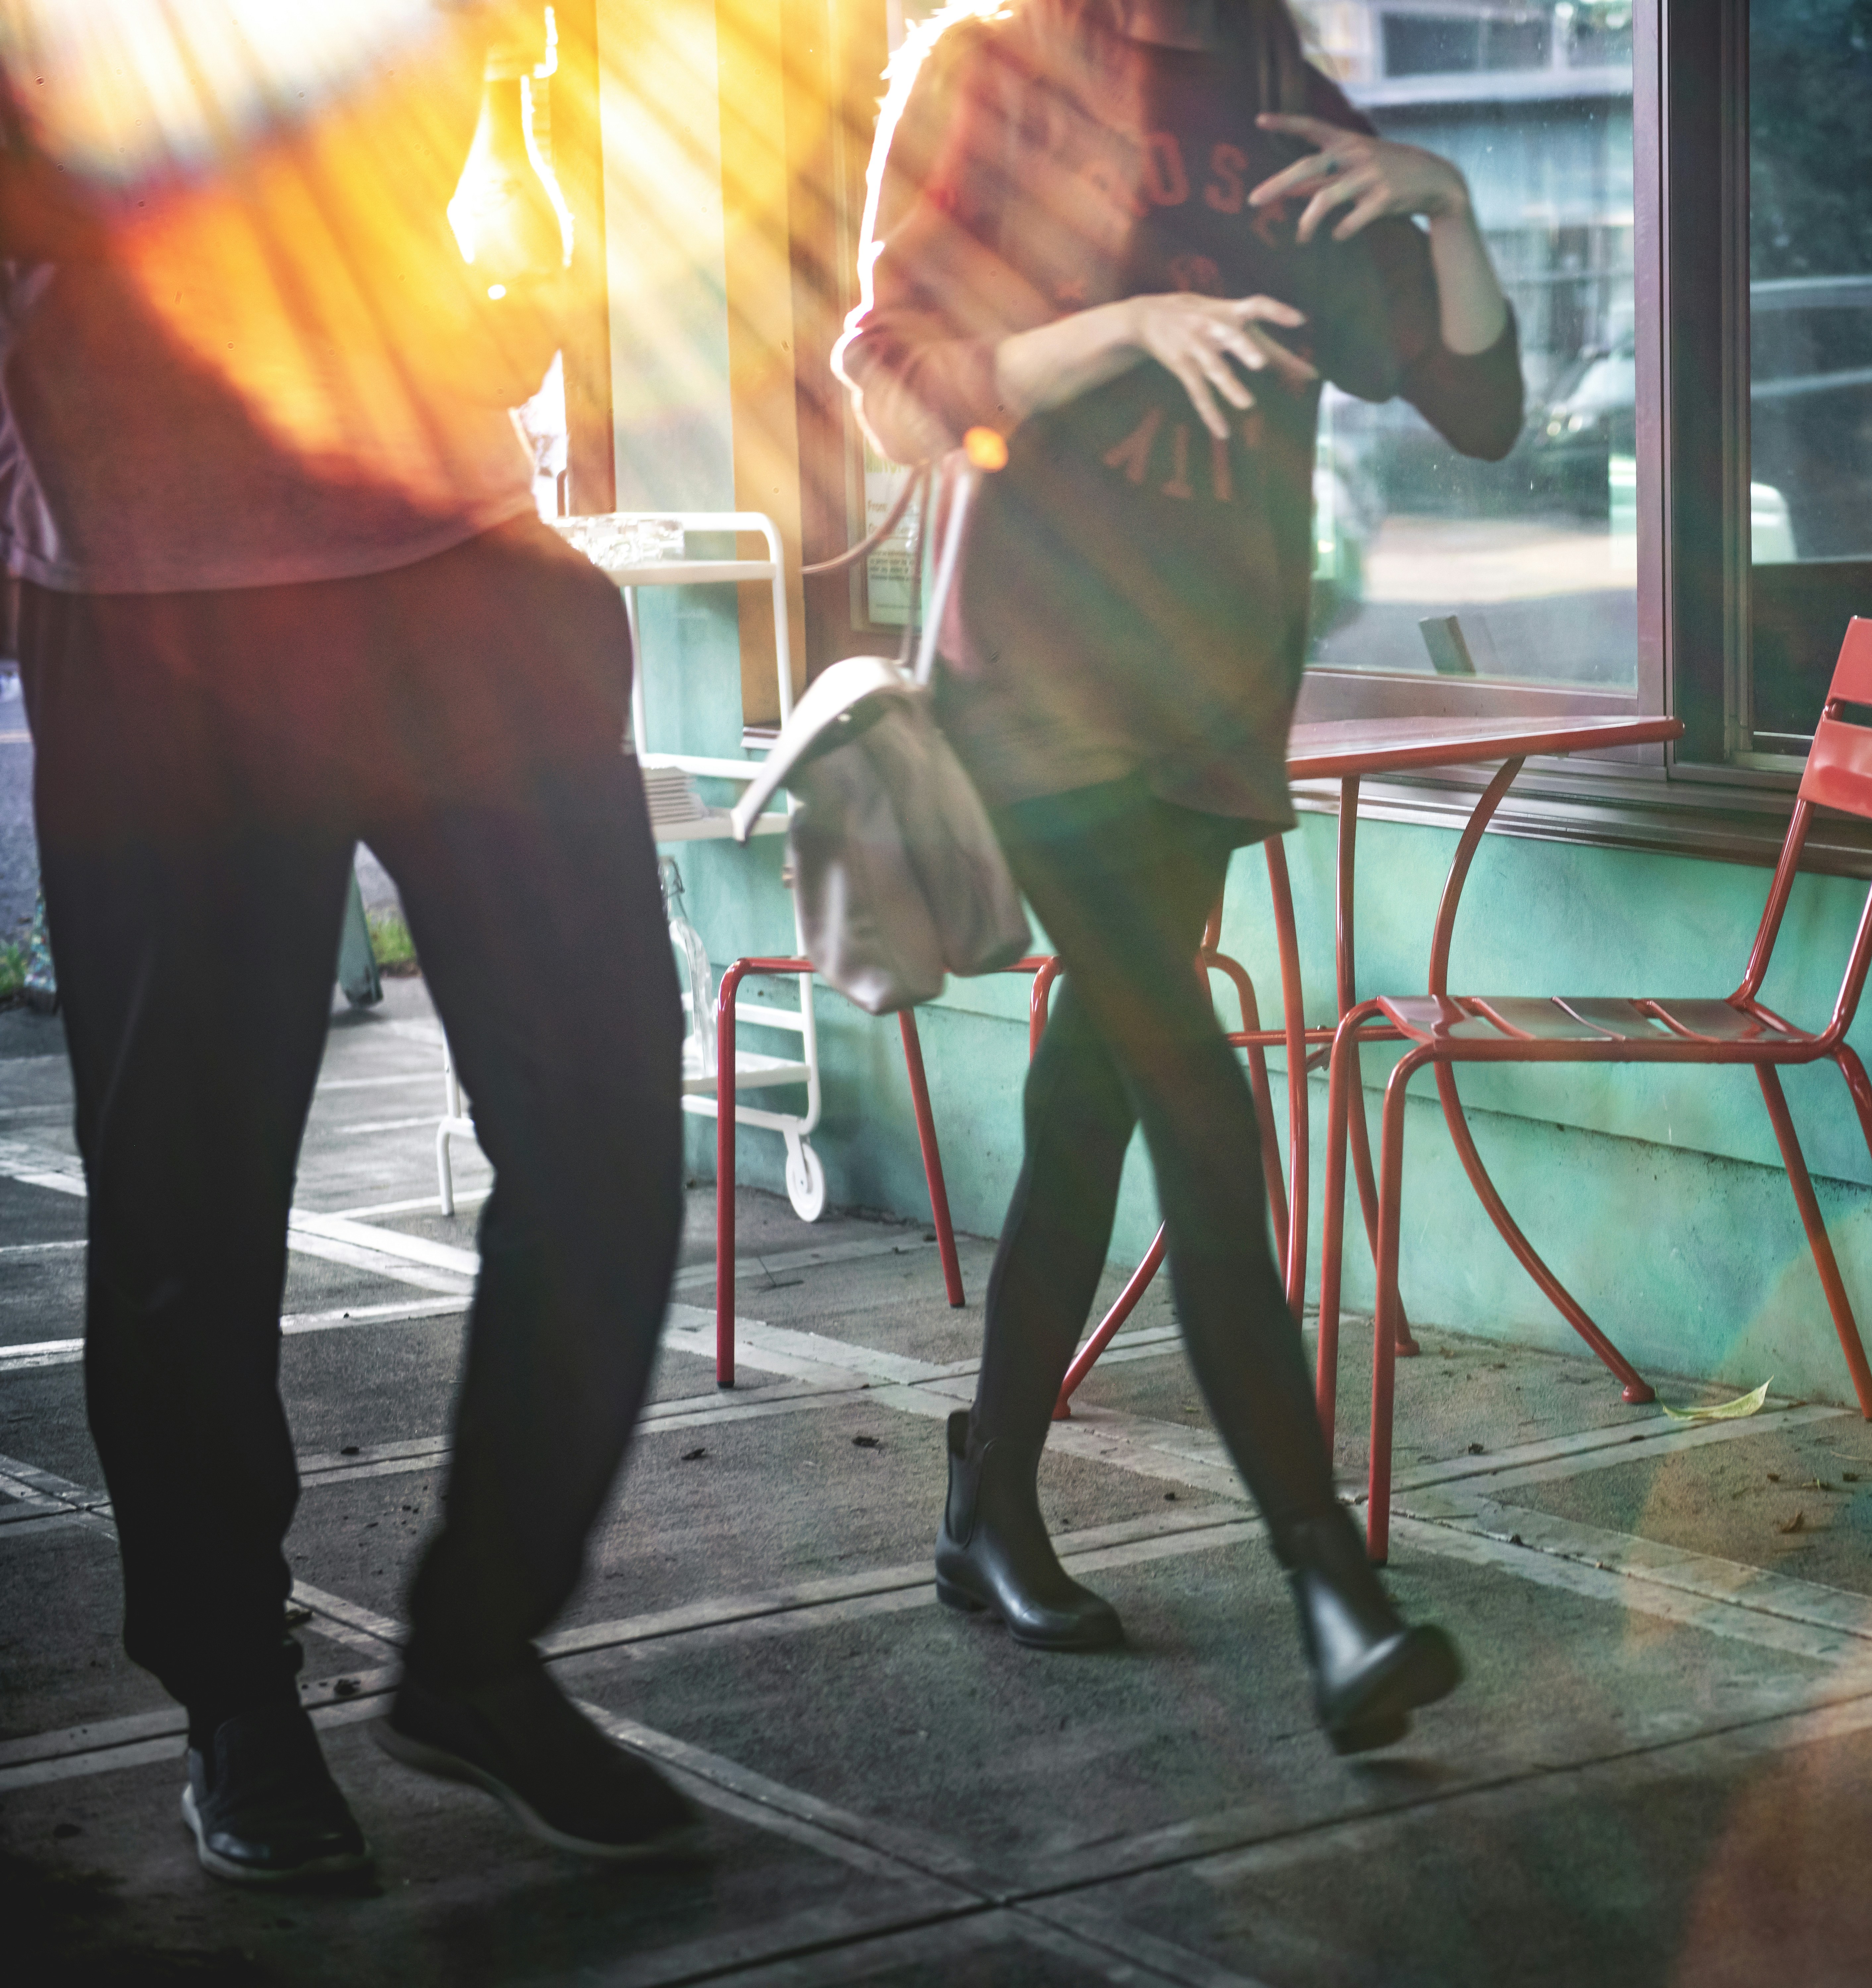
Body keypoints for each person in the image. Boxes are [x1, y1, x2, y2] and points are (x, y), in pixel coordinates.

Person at [0, 3, 698, 1880]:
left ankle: (478, 1649)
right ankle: (233, 1692)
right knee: (188, 1209)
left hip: (457, 561)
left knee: (614, 1137)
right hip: (159, 605)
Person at [835, 0, 1522, 1752]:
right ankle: (1331, 1589)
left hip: (1212, 702)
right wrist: (1123, 323)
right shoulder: (987, 65)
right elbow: (896, 379)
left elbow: (1477, 406)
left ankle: (984, 1504)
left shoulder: (1289, 93)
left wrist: (1443, 203)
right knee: (1205, 1112)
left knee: (1093, 1108)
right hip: (1034, 693)